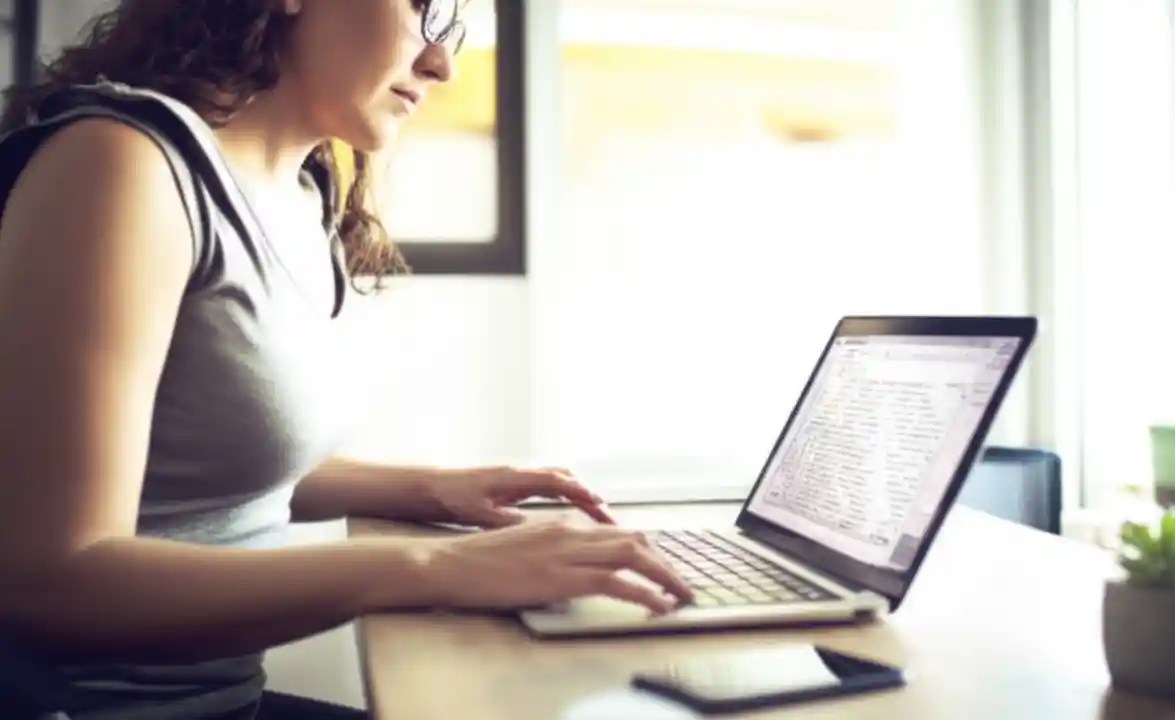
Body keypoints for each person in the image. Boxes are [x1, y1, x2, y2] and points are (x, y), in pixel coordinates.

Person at [0, 1, 694, 718]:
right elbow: (48, 577)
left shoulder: (302, 192)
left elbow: (193, 472)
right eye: (425, 9)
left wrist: (427, 491)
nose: (442, 63)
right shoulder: (119, 164)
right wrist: (433, 567)